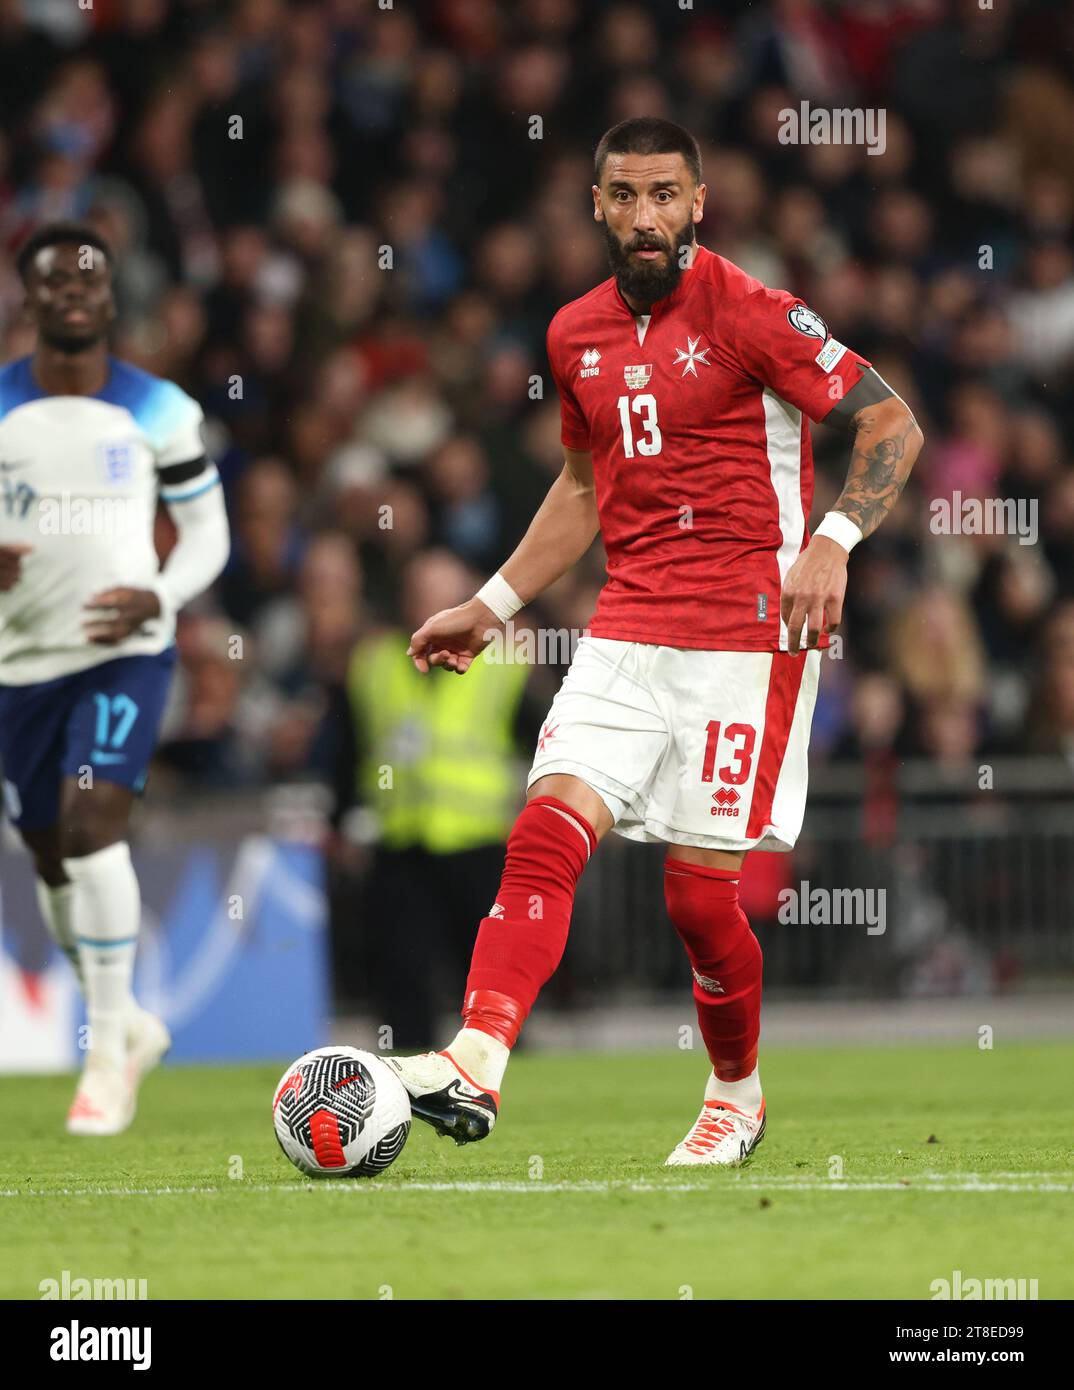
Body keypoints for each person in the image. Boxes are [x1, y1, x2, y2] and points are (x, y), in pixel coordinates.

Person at [384, 118, 923, 1167]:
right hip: (627, 621)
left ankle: (736, 1092)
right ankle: (479, 1055)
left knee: (695, 896)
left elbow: (890, 423)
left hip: (748, 633)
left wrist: (833, 540)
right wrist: (491, 604)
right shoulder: (572, 333)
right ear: (595, 205)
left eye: (665, 195)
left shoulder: (752, 311)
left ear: (699, 202)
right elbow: (584, 487)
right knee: (547, 825)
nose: (645, 215)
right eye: (625, 194)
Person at [0, 222, 230, 1135]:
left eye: (87, 279)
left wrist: (160, 595)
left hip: (123, 654)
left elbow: (209, 531)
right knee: (53, 859)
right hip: (20, 668)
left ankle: (103, 1055)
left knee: (95, 828)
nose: (72, 294)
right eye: (53, 281)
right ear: (29, 295)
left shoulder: (160, 409)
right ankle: (132, 1022)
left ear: (109, 296)